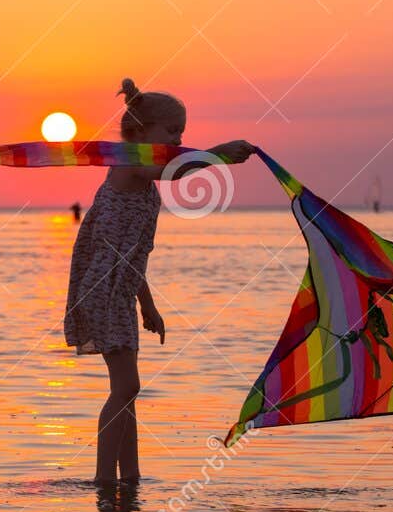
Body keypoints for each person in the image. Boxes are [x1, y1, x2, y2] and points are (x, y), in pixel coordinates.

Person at [63, 78, 253, 483]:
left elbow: (132, 251)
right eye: (171, 132)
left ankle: (129, 477)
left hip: (122, 291)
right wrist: (217, 156)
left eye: (182, 132)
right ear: (137, 133)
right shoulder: (131, 164)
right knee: (126, 386)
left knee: (127, 392)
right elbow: (169, 171)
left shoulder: (144, 181)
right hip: (102, 290)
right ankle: (102, 479)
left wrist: (147, 304)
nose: (179, 139)